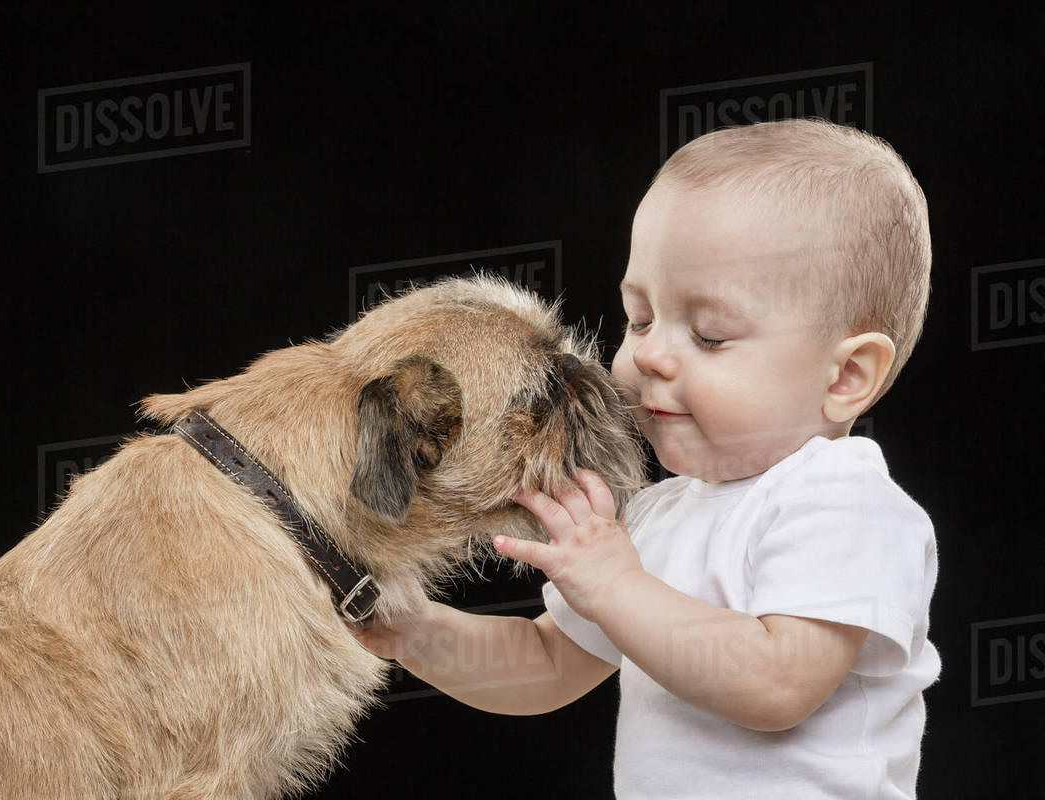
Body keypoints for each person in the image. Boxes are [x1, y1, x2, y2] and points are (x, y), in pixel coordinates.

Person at [350, 117, 941, 799]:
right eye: (640, 319)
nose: (649, 356)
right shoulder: (657, 519)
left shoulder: (844, 503)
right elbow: (544, 667)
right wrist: (416, 632)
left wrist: (615, 586)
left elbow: (779, 685)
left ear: (845, 378)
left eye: (710, 335)